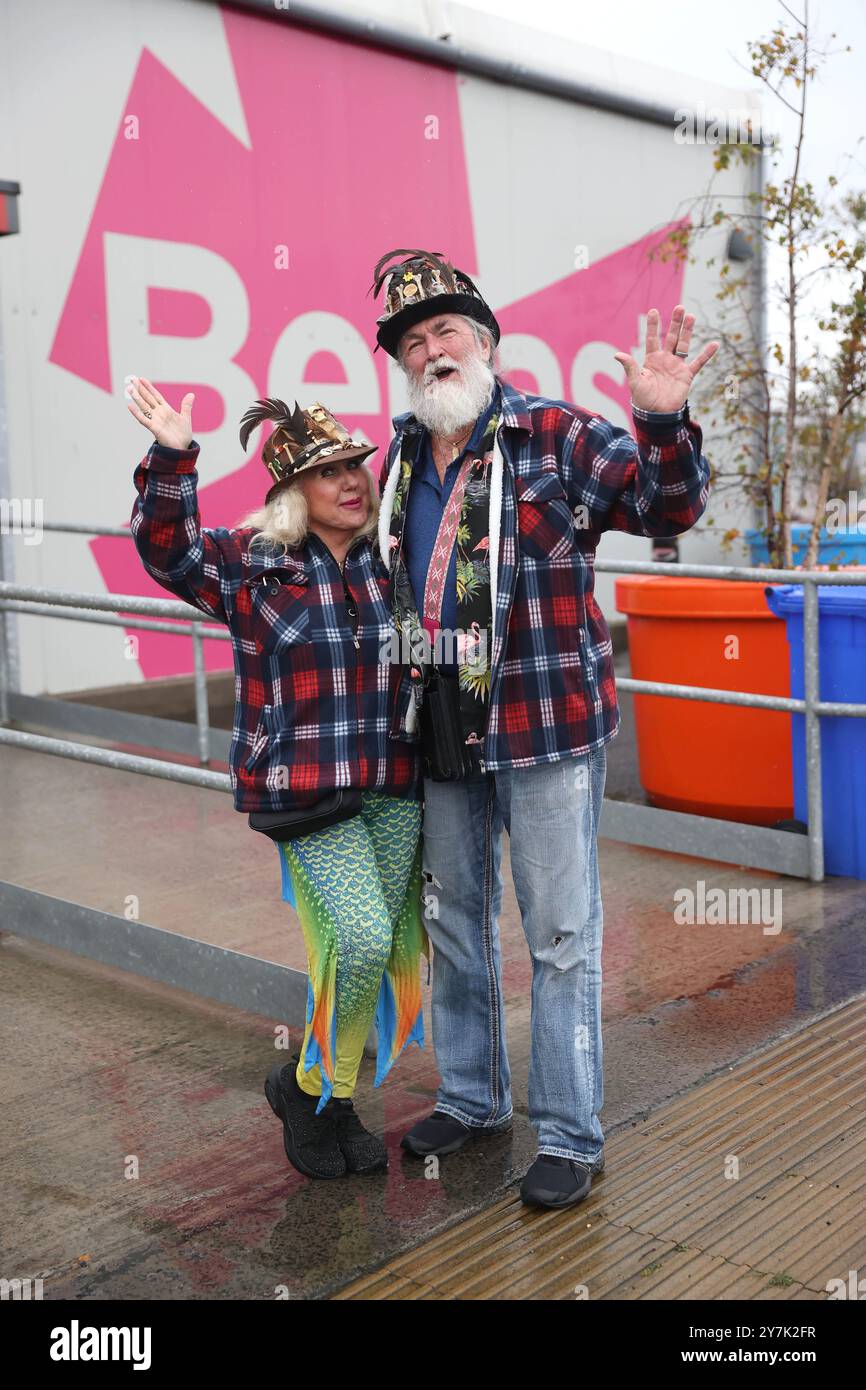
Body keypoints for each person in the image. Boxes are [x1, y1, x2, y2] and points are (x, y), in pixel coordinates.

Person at [369, 248, 718, 1209]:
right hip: (438, 728)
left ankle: (568, 1133)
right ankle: (476, 1097)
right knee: (455, 922)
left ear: (485, 341)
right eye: (412, 342)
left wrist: (659, 420)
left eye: (446, 331)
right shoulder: (395, 459)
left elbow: (666, 507)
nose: (431, 351)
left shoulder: (555, 435)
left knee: (560, 935)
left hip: (544, 727)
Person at [126, 378, 427, 1181]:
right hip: (303, 790)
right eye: (332, 472)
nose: (354, 480)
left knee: (370, 954)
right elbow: (168, 550)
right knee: (359, 939)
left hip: (392, 785)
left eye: (358, 466)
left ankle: (330, 1099)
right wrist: (172, 458)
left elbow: (423, 656)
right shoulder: (252, 563)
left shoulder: (387, 566)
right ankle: (306, 1090)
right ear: (295, 488)